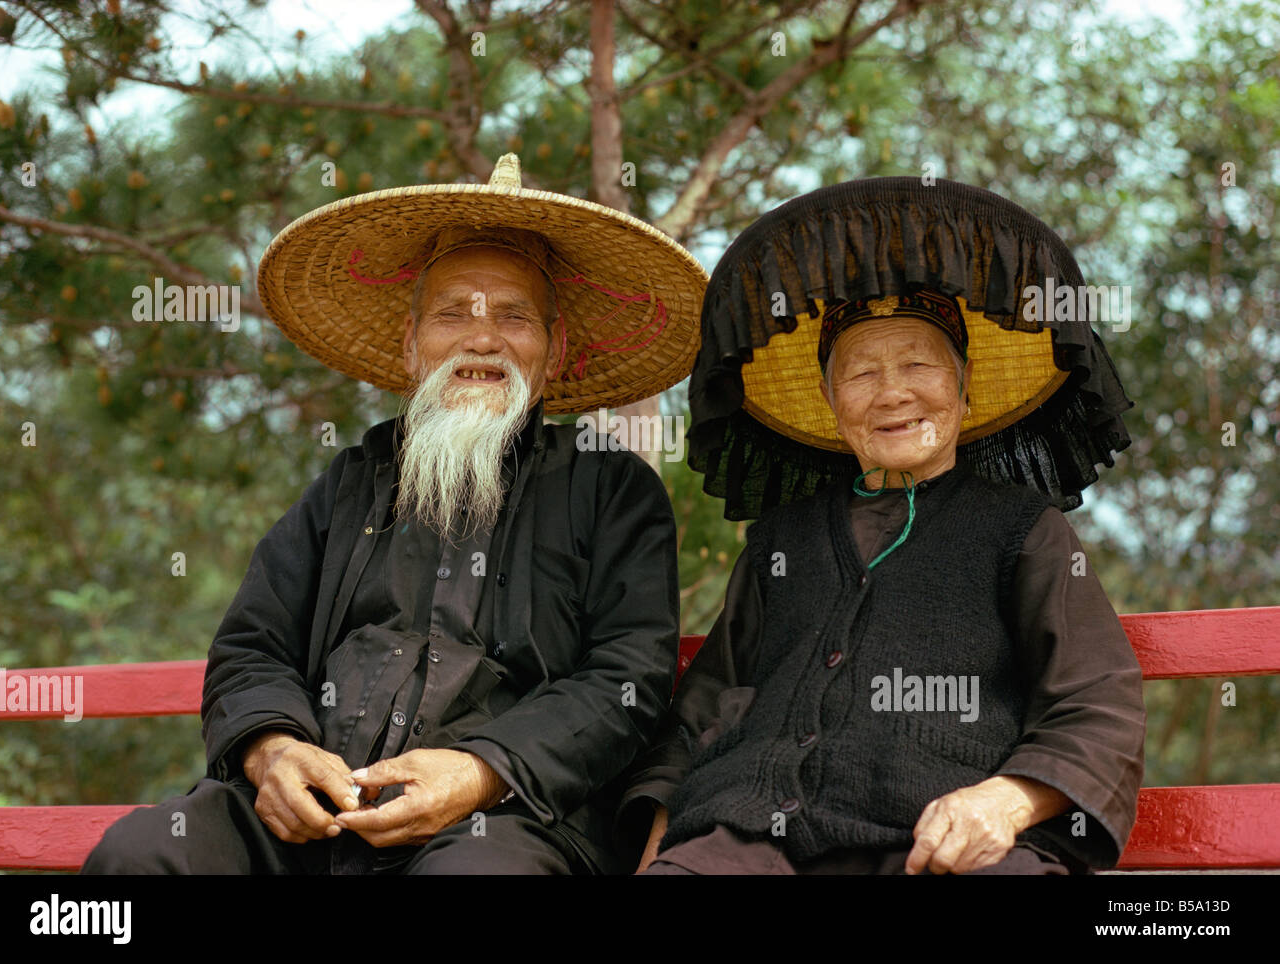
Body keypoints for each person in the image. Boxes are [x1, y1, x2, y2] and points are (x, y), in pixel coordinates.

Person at [83, 154, 708, 875]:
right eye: (452, 314)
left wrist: (479, 772)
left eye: (513, 316)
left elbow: (625, 681)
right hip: (312, 825)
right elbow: (252, 648)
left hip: (505, 824)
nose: (482, 339)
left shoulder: (610, 490)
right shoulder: (349, 484)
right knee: (145, 852)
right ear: (412, 347)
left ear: (555, 351)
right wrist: (273, 750)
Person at [622, 176, 1146, 875]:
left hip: (937, 849)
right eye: (861, 373)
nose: (893, 391)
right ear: (832, 406)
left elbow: (1096, 704)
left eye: (918, 364)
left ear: (963, 391)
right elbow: (699, 714)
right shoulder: (782, 540)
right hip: (749, 842)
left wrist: (1004, 801)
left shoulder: (1024, 530)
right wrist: (662, 850)